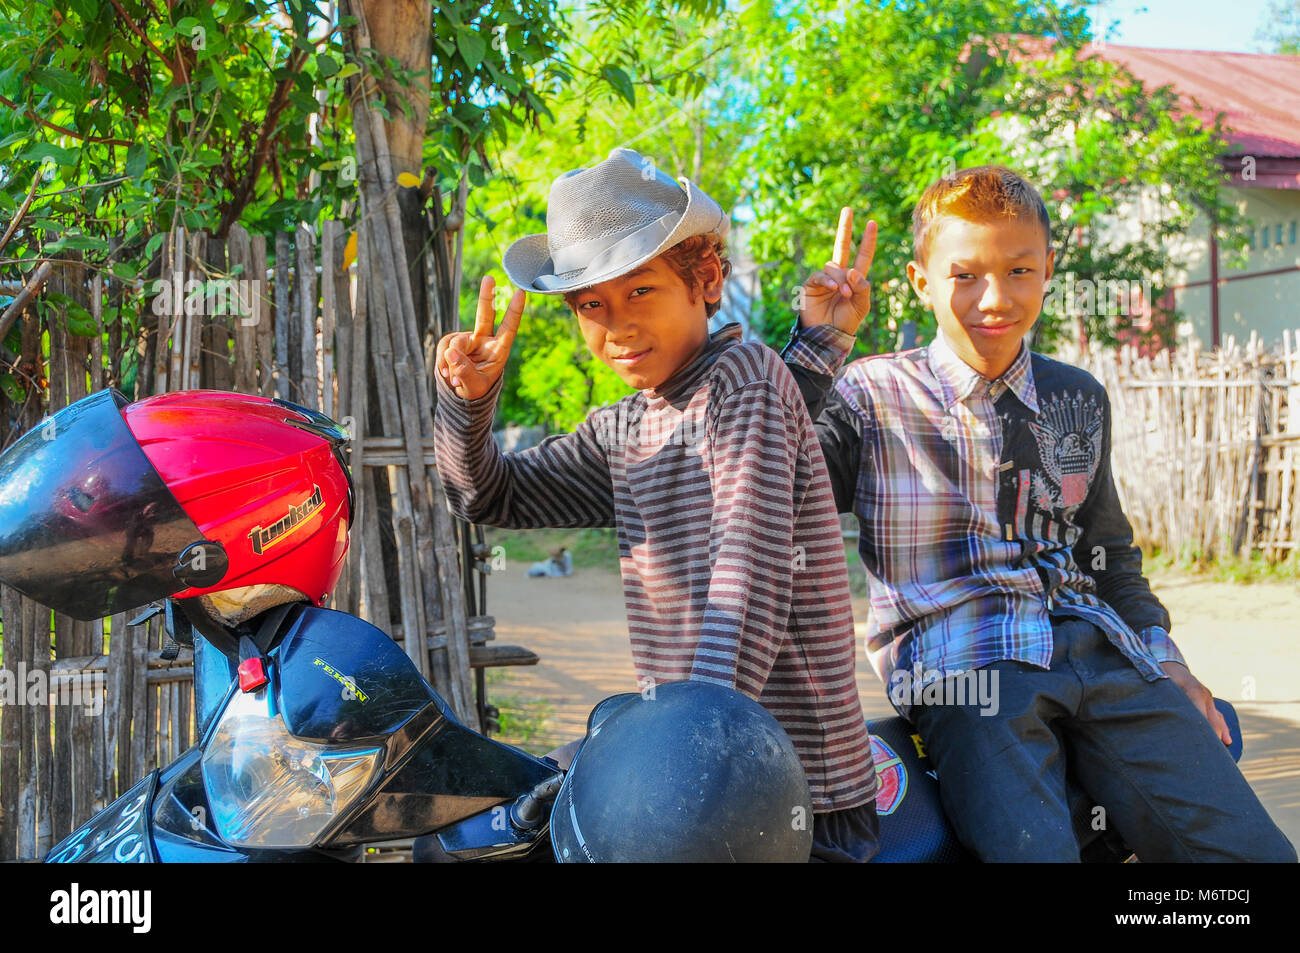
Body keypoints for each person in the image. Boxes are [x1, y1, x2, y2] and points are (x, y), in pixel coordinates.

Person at [784, 165, 1297, 862]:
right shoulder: (871, 395)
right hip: (967, 669)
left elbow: (1109, 551)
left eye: (1019, 270)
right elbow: (774, 475)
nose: (994, 297)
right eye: (963, 274)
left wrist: (1164, 654)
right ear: (919, 280)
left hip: (1102, 653)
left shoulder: (1074, 395)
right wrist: (819, 344)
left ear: (1049, 269)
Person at [432, 148, 878, 862]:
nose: (617, 327)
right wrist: (469, 404)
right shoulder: (623, 431)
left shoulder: (745, 380)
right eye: (590, 306)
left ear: (705, 280)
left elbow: (750, 573)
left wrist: (679, 760)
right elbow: (483, 493)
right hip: (694, 781)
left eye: (640, 292)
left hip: (786, 793)